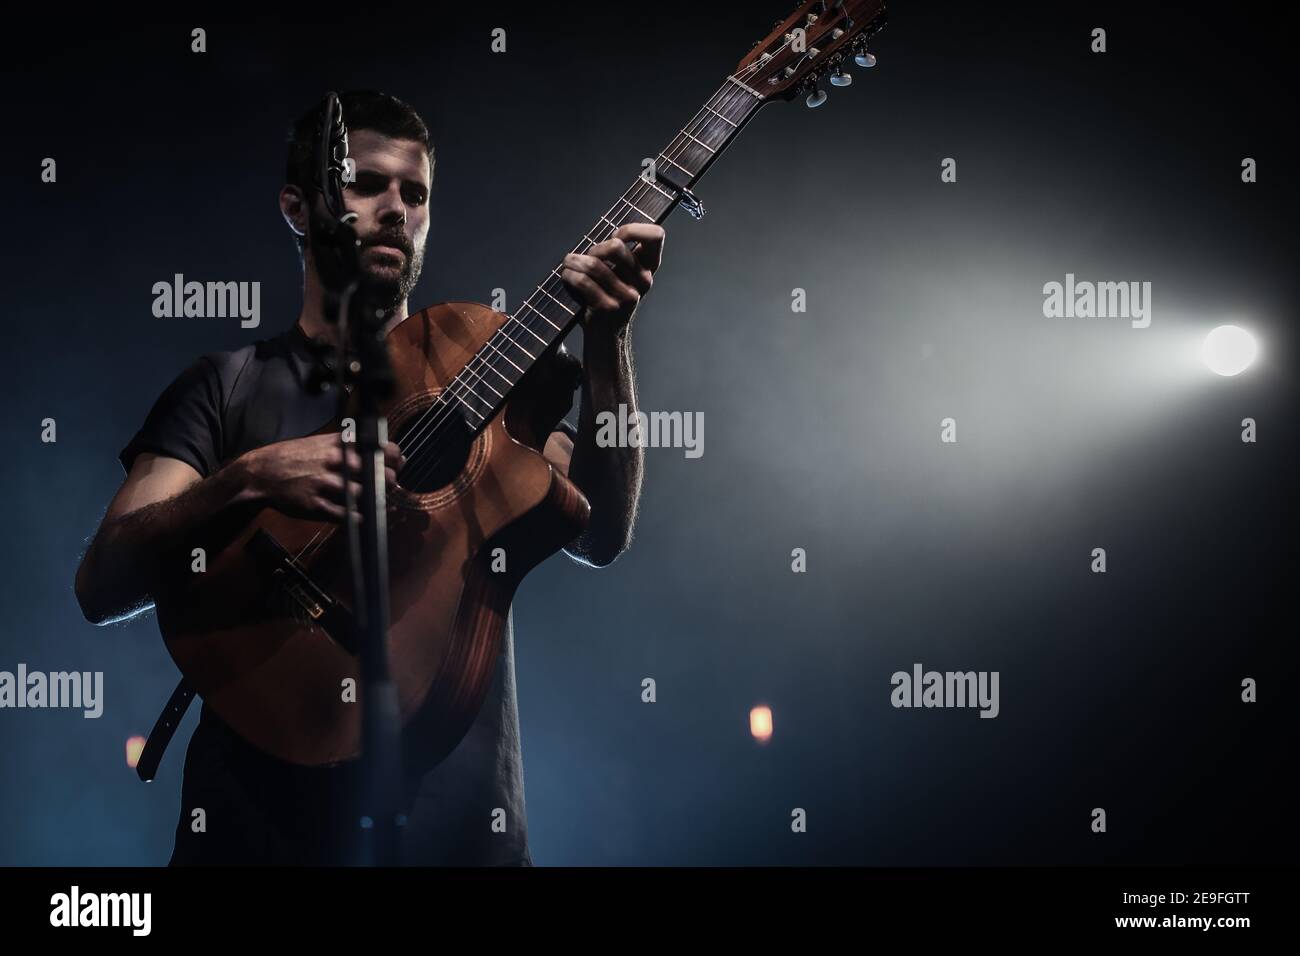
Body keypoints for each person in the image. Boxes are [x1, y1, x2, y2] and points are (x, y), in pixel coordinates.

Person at [74, 90, 665, 865]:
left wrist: (608, 345)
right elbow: (101, 585)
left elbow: (603, 534)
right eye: (365, 184)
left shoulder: (480, 365)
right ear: (298, 206)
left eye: (414, 193)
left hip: (460, 829)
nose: (395, 208)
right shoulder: (226, 385)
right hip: (253, 830)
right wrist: (245, 481)